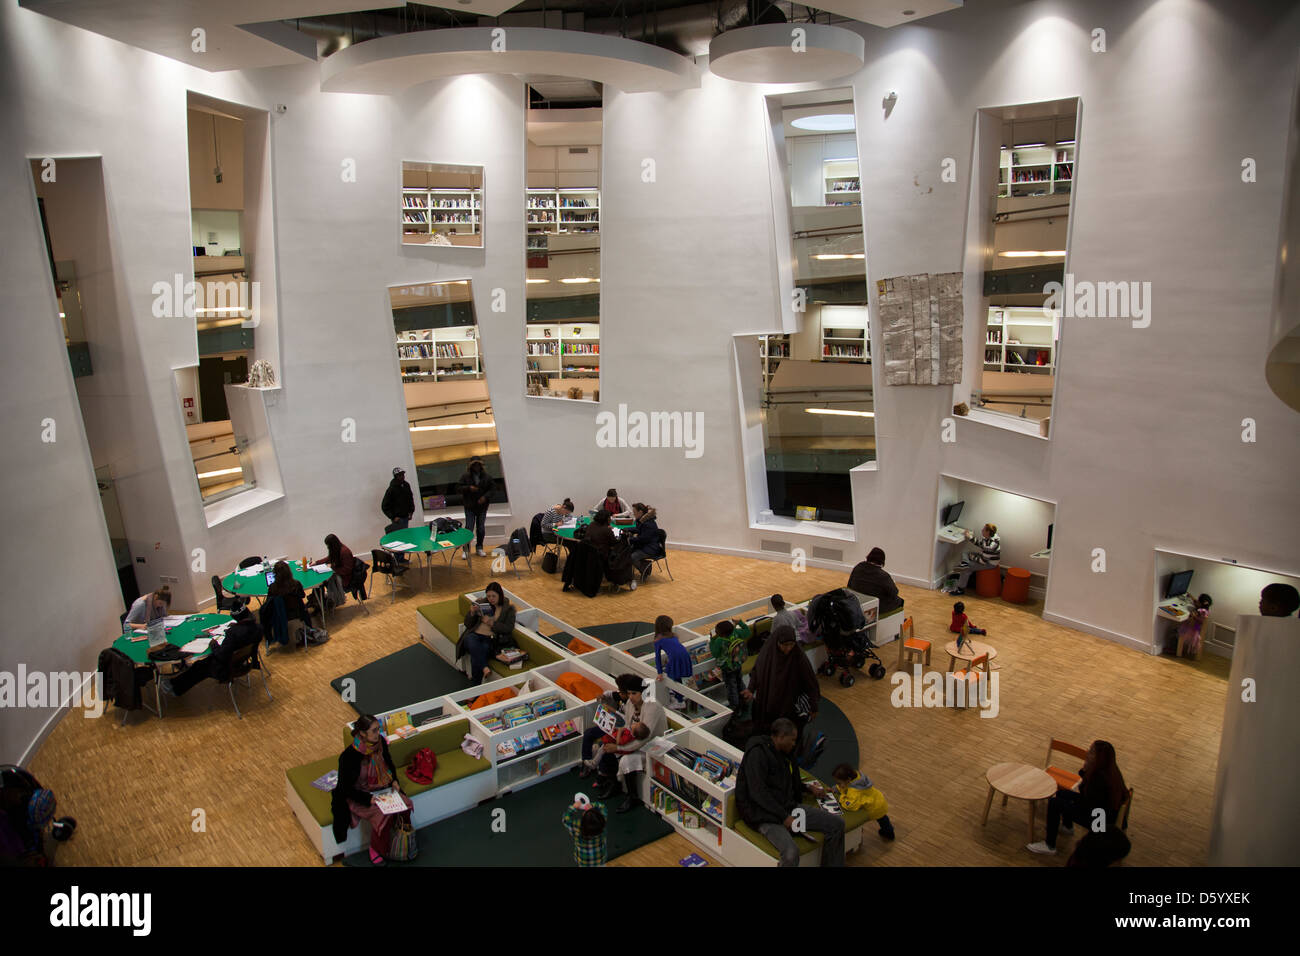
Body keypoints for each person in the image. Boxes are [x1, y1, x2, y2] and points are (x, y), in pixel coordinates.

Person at [736, 718, 845, 867]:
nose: (794, 744)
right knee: (790, 853)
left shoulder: (784, 753)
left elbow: (785, 780)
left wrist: (808, 788)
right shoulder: (757, 754)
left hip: (788, 808)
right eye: (792, 740)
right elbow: (758, 792)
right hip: (764, 815)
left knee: (836, 824)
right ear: (780, 737)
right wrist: (784, 817)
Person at [1027, 739, 1130, 866]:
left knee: (1055, 803)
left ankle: (1049, 845)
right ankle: (1067, 826)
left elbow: (1087, 803)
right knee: (1061, 793)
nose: (1087, 753)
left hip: (1099, 820)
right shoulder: (1111, 771)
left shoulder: (1098, 779)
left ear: (1099, 758)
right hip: (1103, 811)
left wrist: (1084, 771)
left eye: (1091, 752)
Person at [332, 714, 415, 866]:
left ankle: (395, 839)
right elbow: (345, 788)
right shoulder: (349, 756)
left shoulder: (381, 742)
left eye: (379, 730)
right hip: (360, 794)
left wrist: (395, 780)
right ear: (363, 733)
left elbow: (389, 763)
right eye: (375, 731)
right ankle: (376, 849)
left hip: (382, 787)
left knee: (405, 805)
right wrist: (366, 798)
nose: (379, 734)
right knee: (383, 814)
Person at [593, 674, 666, 813]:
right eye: (629, 693)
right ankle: (614, 783)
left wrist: (619, 747)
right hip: (634, 740)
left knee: (626, 760)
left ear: (643, 693)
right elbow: (627, 726)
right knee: (607, 745)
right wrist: (617, 739)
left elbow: (644, 738)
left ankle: (633, 796)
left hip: (652, 746)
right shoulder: (629, 704)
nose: (631, 697)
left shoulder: (653, 707)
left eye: (634, 693)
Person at [165, 599, 264, 696]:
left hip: (227, 666)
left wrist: (214, 644)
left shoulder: (233, 633)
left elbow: (221, 655)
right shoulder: (258, 628)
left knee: (199, 666)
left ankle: (176, 688)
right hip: (243, 660)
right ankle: (175, 684)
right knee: (201, 665)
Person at [743, 623, 819, 739]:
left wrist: (814, 706)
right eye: (784, 645)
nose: (788, 648)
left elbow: (810, 681)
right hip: (767, 700)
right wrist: (750, 689)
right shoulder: (767, 652)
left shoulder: (798, 656)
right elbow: (757, 671)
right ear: (777, 642)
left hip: (788, 702)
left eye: (791, 644)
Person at [461, 581, 517, 685]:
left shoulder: (508, 610)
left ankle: (474, 690)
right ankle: (484, 668)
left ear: (500, 595)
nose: (491, 599)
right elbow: (468, 624)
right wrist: (472, 613)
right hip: (475, 635)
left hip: (490, 639)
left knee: (477, 654)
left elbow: (509, 628)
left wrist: (492, 623)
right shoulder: (482, 603)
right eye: (489, 596)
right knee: (470, 639)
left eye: (493, 596)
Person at [830, 763, 895, 840]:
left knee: (863, 820)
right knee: (883, 820)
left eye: (839, 783)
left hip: (873, 808)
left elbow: (850, 806)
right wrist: (836, 789)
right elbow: (844, 786)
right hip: (878, 800)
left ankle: (888, 833)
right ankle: (889, 832)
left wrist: (841, 798)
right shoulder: (857, 777)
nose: (839, 785)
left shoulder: (855, 791)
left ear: (848, 780)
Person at [267, 560, 315, 644]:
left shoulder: (272, 587)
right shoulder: (296, 584)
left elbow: (269, 603)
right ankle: (310, 630)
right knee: (304, 608)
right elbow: (303, 595)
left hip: (280, 615)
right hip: (297, 613)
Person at [652, 615, 693, 710]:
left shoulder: (658, 640)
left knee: (672, 677)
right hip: (684, 655)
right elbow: (674, 647)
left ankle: (679, 701)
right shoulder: (674, 636)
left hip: (675, 658)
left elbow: (657, 657)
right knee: (678, 677)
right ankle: (679, 698)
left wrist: (659, 673)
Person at [847, 547, 904, 615]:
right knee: (899, 600)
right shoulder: (883, 576)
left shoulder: (858, 567)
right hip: (875, 608)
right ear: (882, 561)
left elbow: (849, 585)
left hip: (857, 603)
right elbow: (894, 592)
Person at [947, 523, 1001, 594]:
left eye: (984, 529)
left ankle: (960, 589)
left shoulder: (991, 546)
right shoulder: (988, 538)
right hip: (984, 557)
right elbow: (980, 543)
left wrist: (972, 558)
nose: (982, 530)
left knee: (966, 568)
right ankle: (964, 564)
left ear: (988, 532)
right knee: (965, 552)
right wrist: (969, 536)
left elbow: (983, 561)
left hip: (989, 563)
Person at [708, 619, 748, 712]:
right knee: (739, 682)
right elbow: (747, 631)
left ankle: (735, 707)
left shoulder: (719, 641)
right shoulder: (737, 633)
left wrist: (712, 639)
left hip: (727, 667)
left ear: (719, 634)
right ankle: (745, 699)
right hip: (738, 663)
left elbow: (715, 653)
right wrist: (740, 623)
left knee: (731, 687)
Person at [458, 457, 494, 558]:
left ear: (481, 465)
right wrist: (469, 488)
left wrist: (485, 497)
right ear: (471, 466)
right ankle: (466, 550)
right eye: (474, 465)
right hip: (469, 506)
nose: (476, 466)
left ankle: (479, 548)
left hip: (482, 507)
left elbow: (492, 490)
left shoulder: (487, 477)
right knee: (469, 528)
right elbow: (458, 488)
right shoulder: (465, 476)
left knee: (481, 528)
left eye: (478, 464)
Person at [381, 467, 416, 565]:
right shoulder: (391, 489)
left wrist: (411, 511)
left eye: (403, 474)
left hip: (405, 517)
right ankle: (398, 559)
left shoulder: (406, 485)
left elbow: (410, 499)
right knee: (399, 539)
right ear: (396, 477)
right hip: (398, 519)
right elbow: (384, 506)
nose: (402, 476)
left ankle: (401, 558)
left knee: (404, 538)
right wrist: (393, 517)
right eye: (400, 475)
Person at [561, 797, 607, 867]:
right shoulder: (602, 822)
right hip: (600, 860)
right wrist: (592, 805)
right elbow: (603, 807)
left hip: (584, 862)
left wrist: (573, 808)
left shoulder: (576, 827)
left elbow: (565, 820)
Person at [628, 503, 664, 582]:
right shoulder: (642, 520)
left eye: (634, 512)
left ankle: (645, 568)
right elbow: (637, 529)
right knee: (626, 552)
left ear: (640, 512)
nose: (633, 514)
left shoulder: (648, 524)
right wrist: (626, 529)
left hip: (650, 548)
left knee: (631, 557)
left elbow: (643, 539)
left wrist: (630, 539)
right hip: (644, 545)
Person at [323, 534, 360, 606]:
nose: (327, 547)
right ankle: (323, 599)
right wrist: (316, 562)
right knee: (324, 580)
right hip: (341, 574)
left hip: (346, 578)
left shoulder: (345, 552)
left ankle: (334, 599)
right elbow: (328, 558)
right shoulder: (336, 549)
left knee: (328, 579)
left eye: (328, 545)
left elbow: (347, 570)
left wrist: (333, 568)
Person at [1176, 593, 1212, 660]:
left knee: (1181, 629)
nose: (1196, 602)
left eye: (1199, 601)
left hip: (1195, 629)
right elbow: (1195, 601)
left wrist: (1193, 616)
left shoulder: (1202, 611)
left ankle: (1178, 652)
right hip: (1197, 627)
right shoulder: (1205, 609)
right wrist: (1190, 595)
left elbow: (1196, 618)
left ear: (1202, 603)